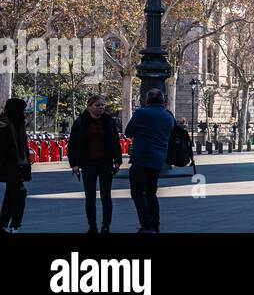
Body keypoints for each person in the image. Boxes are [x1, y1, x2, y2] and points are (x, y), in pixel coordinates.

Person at [67, 95, 123, 233]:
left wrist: (117, 160)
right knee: (90, 197)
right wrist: (74, 164)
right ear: (89, 106)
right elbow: (73, 144)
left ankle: (106, 225)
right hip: (88, 163)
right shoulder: (81, 121)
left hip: (105, 162)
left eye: (103, 105)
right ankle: (92, 226)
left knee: (106, 196)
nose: (101, 108)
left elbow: (115, 141)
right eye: (98, 105)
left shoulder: (109, 121)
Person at [124, 89, 175, 233]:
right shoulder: (168, 116)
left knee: (137, 192)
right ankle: (155, 224)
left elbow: (128, 132)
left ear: (147, 100)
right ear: (163, 100)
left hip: (141, 158)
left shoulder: (141, 113)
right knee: (151, 192)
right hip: (158, 160)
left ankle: (146, 224)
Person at [0, 98, 32, 234]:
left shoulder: (18, 123)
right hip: (10, 165)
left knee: (12, 194)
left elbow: (22, 145)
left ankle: (6, 224)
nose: (23, 113)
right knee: (18, 192)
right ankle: (13, 225)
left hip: (19, 164)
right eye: (22, 110)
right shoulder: (4, 123)